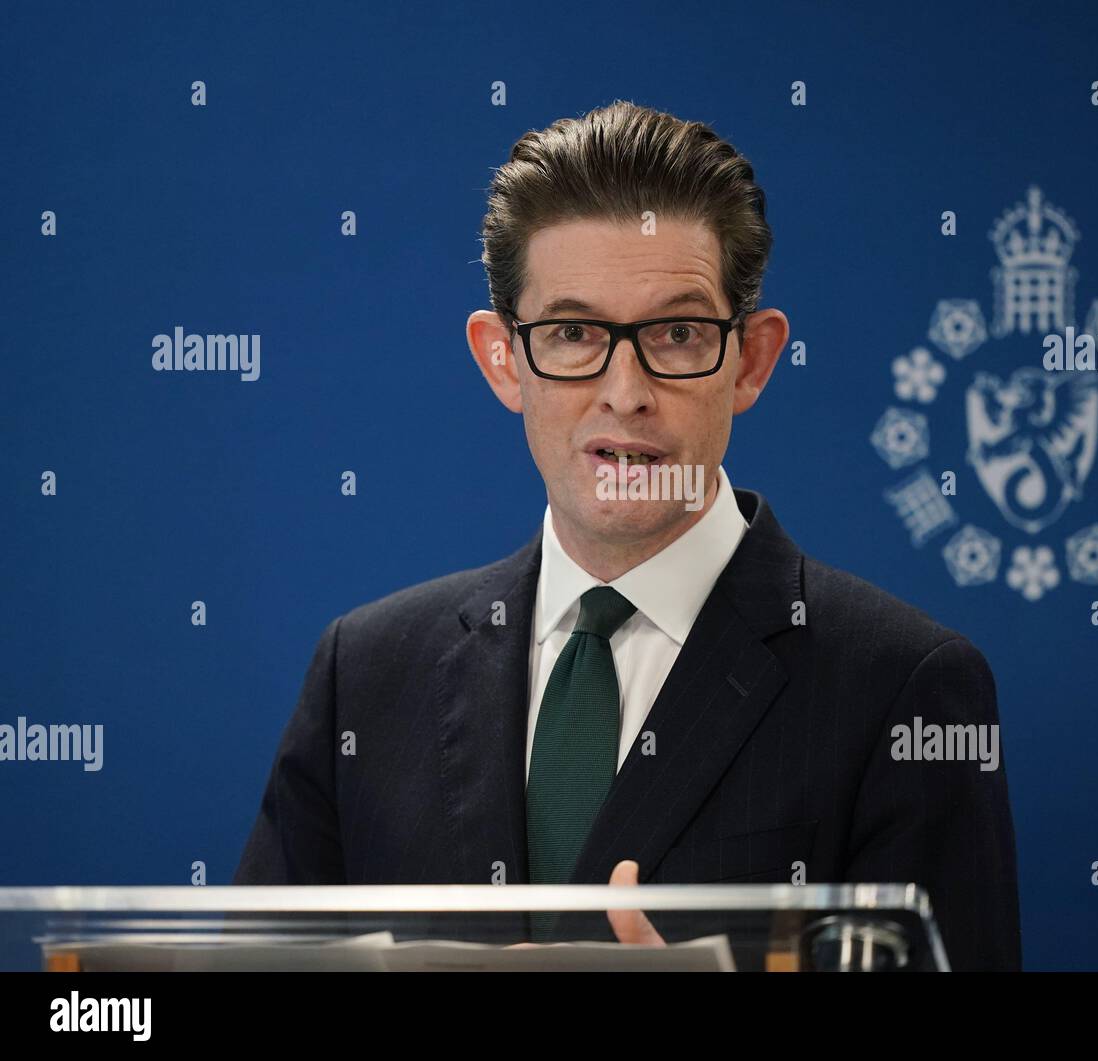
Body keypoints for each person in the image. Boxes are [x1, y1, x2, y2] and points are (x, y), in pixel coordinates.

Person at [234, 99, 1021, 971]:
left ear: (751, 359)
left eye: (677, 334)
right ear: (502, 359)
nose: (625, 392)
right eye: (572, 334)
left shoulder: (902, 688)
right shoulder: (365, 674)